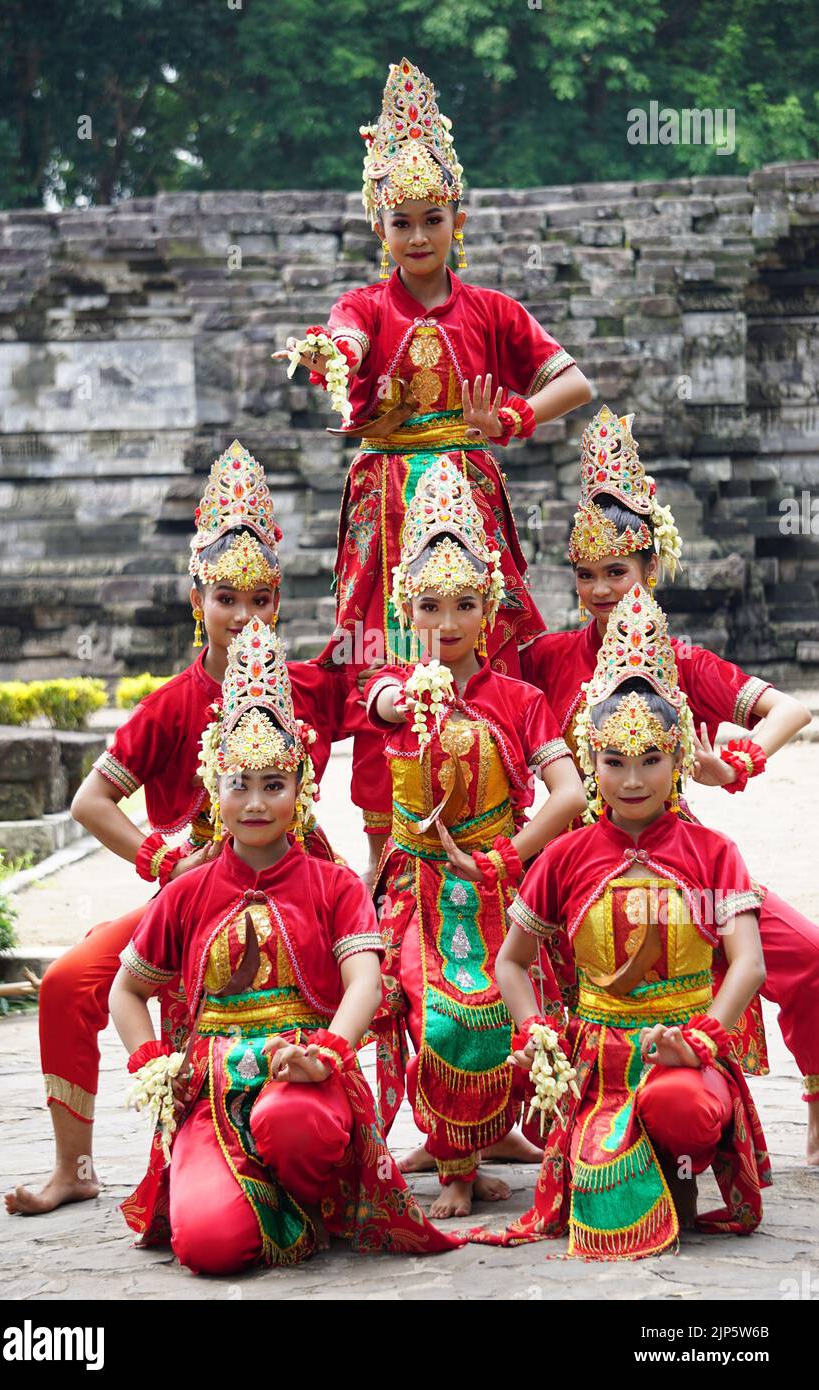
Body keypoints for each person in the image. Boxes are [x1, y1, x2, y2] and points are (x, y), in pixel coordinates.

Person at [4, 441, 352, 1217]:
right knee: (68, 983)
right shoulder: (172, 703)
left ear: (279, 602)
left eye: (262, 599)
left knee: (394, 971)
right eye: (227, 597)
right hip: (196, 892)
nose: (245, 616)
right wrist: (166, 862)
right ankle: (77, 1166)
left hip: (301, 889)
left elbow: (398, 685)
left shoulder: (311, 688)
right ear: (199, 600)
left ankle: (373, 1150)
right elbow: (92, 802)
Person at [273, 56, 591, 877]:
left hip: (468, 503)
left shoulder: (491, 310)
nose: (418, 237)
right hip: (385, 510)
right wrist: (331, 356)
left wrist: (514, 416)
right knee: (382, 657)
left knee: (490, 654)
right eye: (401, 221)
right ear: (379, 228)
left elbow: (574, 380)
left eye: (432, 219)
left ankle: (512, 849)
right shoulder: (365, 307)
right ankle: (387, 879)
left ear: (459, 217)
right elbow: (342, 343)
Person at [109, 618, 458, 1273]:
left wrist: (327, 1050)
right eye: (238, 783)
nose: (256, 802)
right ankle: (251, 1201)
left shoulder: (331, 886)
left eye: (274, 783)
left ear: (301, 789)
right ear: (215, 786)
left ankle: (309, 1200)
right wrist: (152, 1063)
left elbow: (364, 980)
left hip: (306, 1077)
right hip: (212, 1093)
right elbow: (126, 989)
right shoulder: (186, 892)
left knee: (294, 1123)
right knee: (208, 1248)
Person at [521, 405, 819, 1164]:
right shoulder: (549, 657)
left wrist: (732, 765)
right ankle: (481, 1128)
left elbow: (789, 708)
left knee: (808, 953)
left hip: (679, 861)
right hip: (567, 865)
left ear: (650, 569)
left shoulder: (682, 663)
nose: (599, 591)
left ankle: (813, 1101)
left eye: (616, 572)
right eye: (585, 574)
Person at [478, 583, 770, 1259]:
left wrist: (700, 1042)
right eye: (614, 762)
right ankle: (639, 1164)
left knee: (684, 1107)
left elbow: (748, 964)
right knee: (605, 1204)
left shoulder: (712, 851)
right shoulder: (567, 855)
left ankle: (684, 1159)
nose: (632, 780)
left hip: (684, 1051)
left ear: (678, 761)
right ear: (592, 760)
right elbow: (512, 960)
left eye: (650, 761)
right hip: (602, 1062)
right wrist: (538, 1031)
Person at [364, 458, 586, 1218]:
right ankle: (455, 1162)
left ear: (490, 610)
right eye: (430, 607)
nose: (448, 623)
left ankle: (490, 1136)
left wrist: (505, 857)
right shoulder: (392, 688)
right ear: (407, 612)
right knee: (439, 1008)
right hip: (418, 888)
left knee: (501, 1004)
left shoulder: (520, 701)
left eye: (465, 605)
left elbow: (571, 792)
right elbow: (385, 701)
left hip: (495, 883)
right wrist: (409, 697)